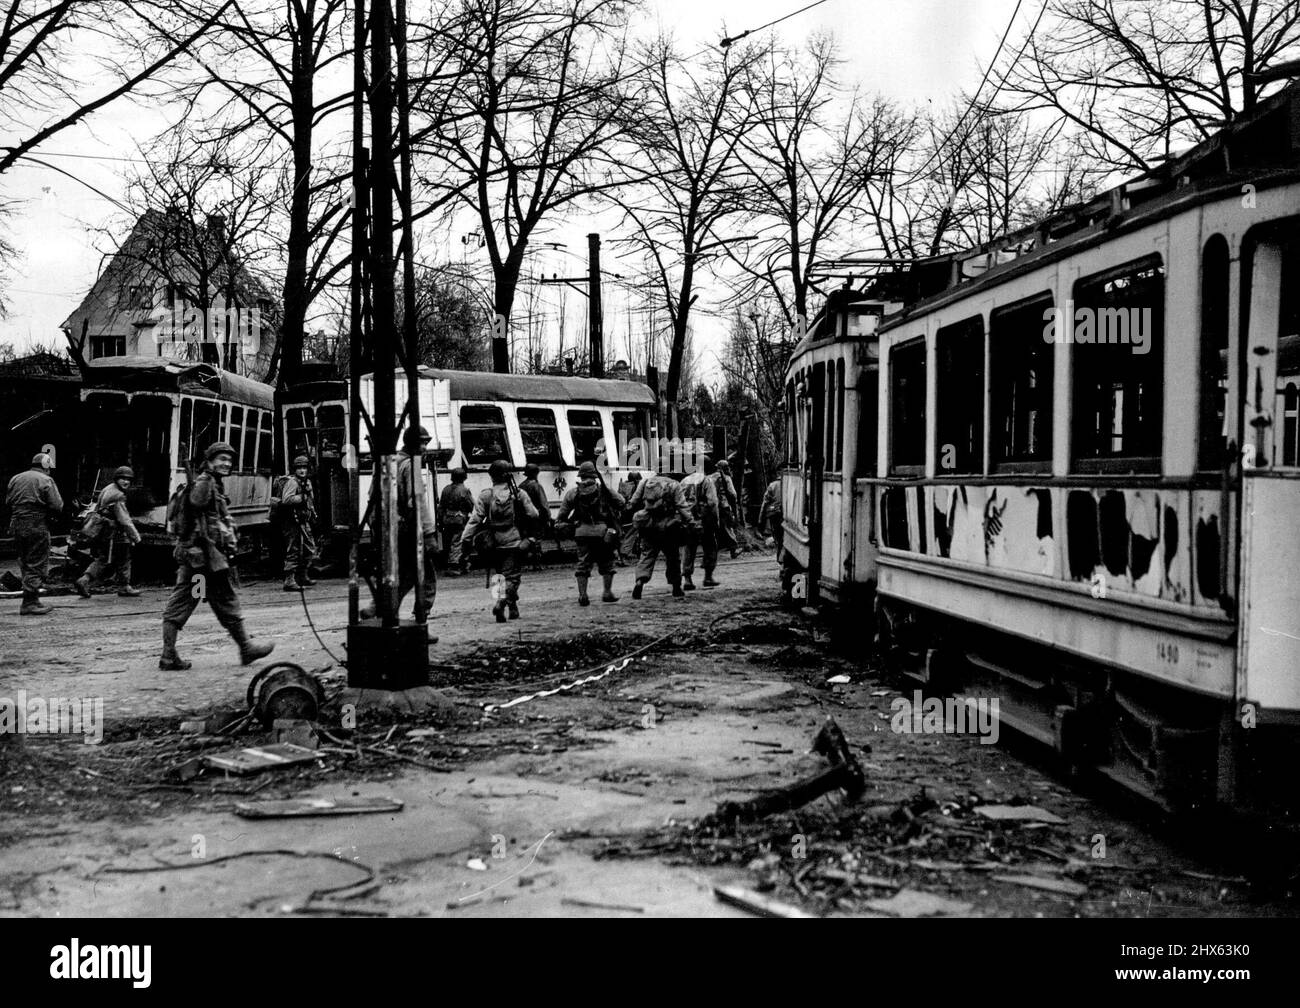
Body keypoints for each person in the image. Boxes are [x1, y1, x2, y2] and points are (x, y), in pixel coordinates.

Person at [159, 442, 274, 670]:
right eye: (221, 459)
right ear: (210, 461)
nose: (227, 464)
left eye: (229, 460)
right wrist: (203, 482)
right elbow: (197, 503)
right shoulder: (206, 481)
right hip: (202, 561)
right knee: (199, 601)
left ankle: (170, 655)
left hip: (204, 560)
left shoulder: (212, 482)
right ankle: (245, 648)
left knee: (211, 600)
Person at [461, 459, 539, 622]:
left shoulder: (486, 494)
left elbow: (475, 520)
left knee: (499, 576)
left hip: (493, 542)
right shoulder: (519, 494)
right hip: (513, 540)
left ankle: (510, 609)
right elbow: (534, 514)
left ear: (492, 476)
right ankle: (500, 603)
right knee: (512, 577)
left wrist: (466, 538)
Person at [555, 461, 624, 606]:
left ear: (580, 476)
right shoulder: (603, 490)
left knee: (583, 564)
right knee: (607, 563)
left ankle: (583, 595)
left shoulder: (573, 493)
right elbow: (621, 502)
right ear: (595, 475)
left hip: (581, 532)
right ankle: (607, 592)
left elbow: (562, 515)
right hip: (603, 533)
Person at [5, 453, 63, 616]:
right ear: (46, 466)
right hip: (36, 524)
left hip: (16, 523)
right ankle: (29, 602)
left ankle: (33, 598)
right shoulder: (45, 480)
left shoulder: (15, 478)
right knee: (36, 561)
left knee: (24, 559)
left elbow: (8, 501)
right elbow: (57, 505)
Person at [74, 465, 142, 598]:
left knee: (103, 558)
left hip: (103, 531)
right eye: (122, 479)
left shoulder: (107, 488)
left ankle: (85, 579)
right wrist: (136, 537)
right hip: (115, 532)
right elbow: (124, 520)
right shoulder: (118, 495)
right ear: (117, 479)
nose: (126, 482)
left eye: (128, 479)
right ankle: (124, 586)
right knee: (124, 558)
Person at [627, 470, 695, 599]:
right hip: (667, 525)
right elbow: (681, 506)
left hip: (647, 524)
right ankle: (676, 587)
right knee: (672, 556)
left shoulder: (645, 482)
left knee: (647, 554)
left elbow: (633, 502)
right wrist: (691, 522)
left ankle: (639, 582)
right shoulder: (674, 484)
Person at [680, 455, 721, 590]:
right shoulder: (707, 481)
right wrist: (716, 520)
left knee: (688, 549)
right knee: (710, 547)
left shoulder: (684, 481)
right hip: (704, 521)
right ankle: (708, 577)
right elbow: (712, 502)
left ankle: (687, 579)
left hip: (688, 520)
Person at [279, 455, 318, 592]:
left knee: (309, 548)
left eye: (304, 468)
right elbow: (286, 500)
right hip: (291, 520)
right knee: (293, 549)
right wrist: (302, 497)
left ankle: (303, 575)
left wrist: (312, 513)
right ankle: (289, 580)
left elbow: (310, 501)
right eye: (299, 468)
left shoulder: (307, 482)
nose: (302, 471)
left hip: (303, 519)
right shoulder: (293, 482)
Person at [439, 467, 474, 576]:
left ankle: (450, 564)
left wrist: (440, 521)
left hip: (446, 519)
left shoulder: (446, 489)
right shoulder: (464, 490)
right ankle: (455, 565)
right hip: (459, 519)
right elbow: (471, 505)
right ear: (464, 478)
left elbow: (441, 507)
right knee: (458, 541)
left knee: (448, 542)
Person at [518, 463, 551, 571]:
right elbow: (543, 503)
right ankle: (536, 563)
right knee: (536, 539)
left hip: (523, 517)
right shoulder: (536, 486)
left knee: (527, 538)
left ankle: (527, 560)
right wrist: (547, 518)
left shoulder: (521, 486)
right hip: (536, 517)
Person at [713, 459, 740, 559]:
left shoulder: (709, 477)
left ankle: (713, 551)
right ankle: (734, 549)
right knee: (728, 527)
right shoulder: (727, 478)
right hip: (724, 506)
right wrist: (735, 505)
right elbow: (732, 494)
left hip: (712, 507)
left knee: (714, 528)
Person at [616, 471, 642, 565]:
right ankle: (624, 556)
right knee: (631, 535)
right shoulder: (636, 487)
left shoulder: (623, 486)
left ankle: (622, 555)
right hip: (633, 515)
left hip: (623, 514)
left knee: (625, 536)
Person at [759, 476, 783, 558]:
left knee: (778, 536)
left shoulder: (772, 485)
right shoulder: (793, 483)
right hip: (787, 514)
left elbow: (765, 502)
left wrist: (760, 518)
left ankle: (780, 556)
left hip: (775, 513)